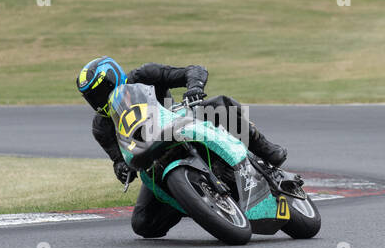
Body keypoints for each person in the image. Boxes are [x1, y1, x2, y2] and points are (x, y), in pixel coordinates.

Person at [77, 57, 289, 238]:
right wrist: (122, 169)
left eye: (101, 92)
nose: (98, 101)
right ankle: (194, 202)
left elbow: (194, 70)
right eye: (91, 98)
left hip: (182, 124)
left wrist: (194, 88)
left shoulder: (144, 75)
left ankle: (265, 149)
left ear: (115, 77)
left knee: (221, 105)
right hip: (155, 160)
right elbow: (119, 159)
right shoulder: (101, 127)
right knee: (143, 224)